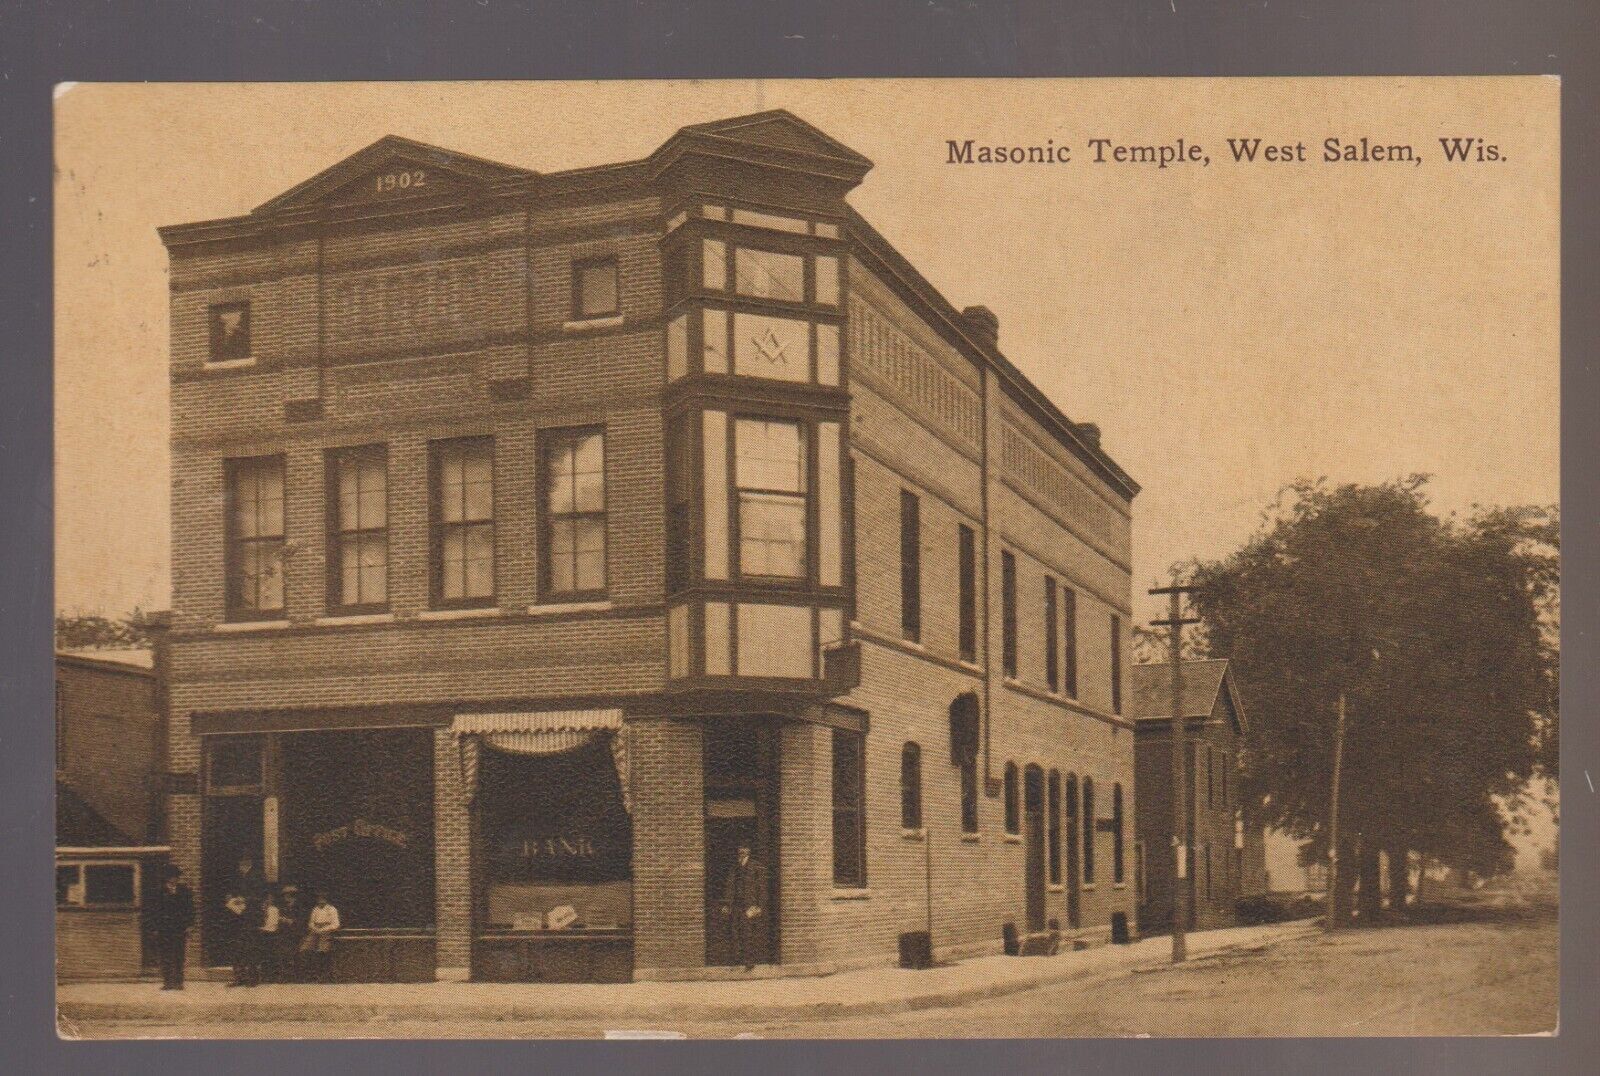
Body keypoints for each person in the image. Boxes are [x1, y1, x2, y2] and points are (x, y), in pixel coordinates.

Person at [719, 843, 768, 971]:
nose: (742, 851)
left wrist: (759, 906)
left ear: (749, 850)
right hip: (735, 906)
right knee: (735, 932)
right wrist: (726, 904)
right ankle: (736, 960)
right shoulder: (734, 867)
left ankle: (749, 962)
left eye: (745, 848)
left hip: (750, 906)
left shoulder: (756, 866)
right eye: (740, 848)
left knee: (748, 934)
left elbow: (762, 888)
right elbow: (729, 887)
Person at [224, 855, 268, 987]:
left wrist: (244, 900)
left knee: (251, 947)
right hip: (237, 917)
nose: (241, 866)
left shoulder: (258, 876)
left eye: (244, 863)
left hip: (251, 916)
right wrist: (230, 897)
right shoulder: (237, 876)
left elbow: (261, 895)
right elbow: (231, 891)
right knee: (237, 947)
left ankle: (253, 978)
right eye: (240, 863)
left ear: (248, 863)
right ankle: (239, 977)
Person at [150, 864, 195, 990]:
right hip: (164, 929)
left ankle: (179, 982)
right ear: (166, 878)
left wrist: (190, 925)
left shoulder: (184, 891)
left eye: (176, 877)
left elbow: (190, 909)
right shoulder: (159, 892)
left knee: (179, 955)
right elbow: (154, 911)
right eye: (171, 877)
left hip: (179, 928)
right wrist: (155, 928)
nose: (174, 879)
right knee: (165, 955)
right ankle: (168, 982)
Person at [303, 890, 341, 983]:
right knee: (305, 949)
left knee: (322, 951)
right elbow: (311, 922)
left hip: (327, 931)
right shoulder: (315, 909)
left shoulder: (332, 909)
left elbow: (336, 924)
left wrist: (324, 929)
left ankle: (325, 976)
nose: (321, 901)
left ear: (326, 900)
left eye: (323, 899)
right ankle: (312, 975)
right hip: (315, 931)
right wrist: (315, 928)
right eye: (319, 899)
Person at [274, 884, 306, 983]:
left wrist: (289, 921)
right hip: (284, 933)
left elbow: (302, 922)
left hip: (297, 934)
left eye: (289, 896)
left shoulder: (299, 907)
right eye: (285, 896)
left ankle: (297, 976)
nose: (287, 898)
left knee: (295, 953)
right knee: (282, 952)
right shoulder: (283, 907)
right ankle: (285, 975)